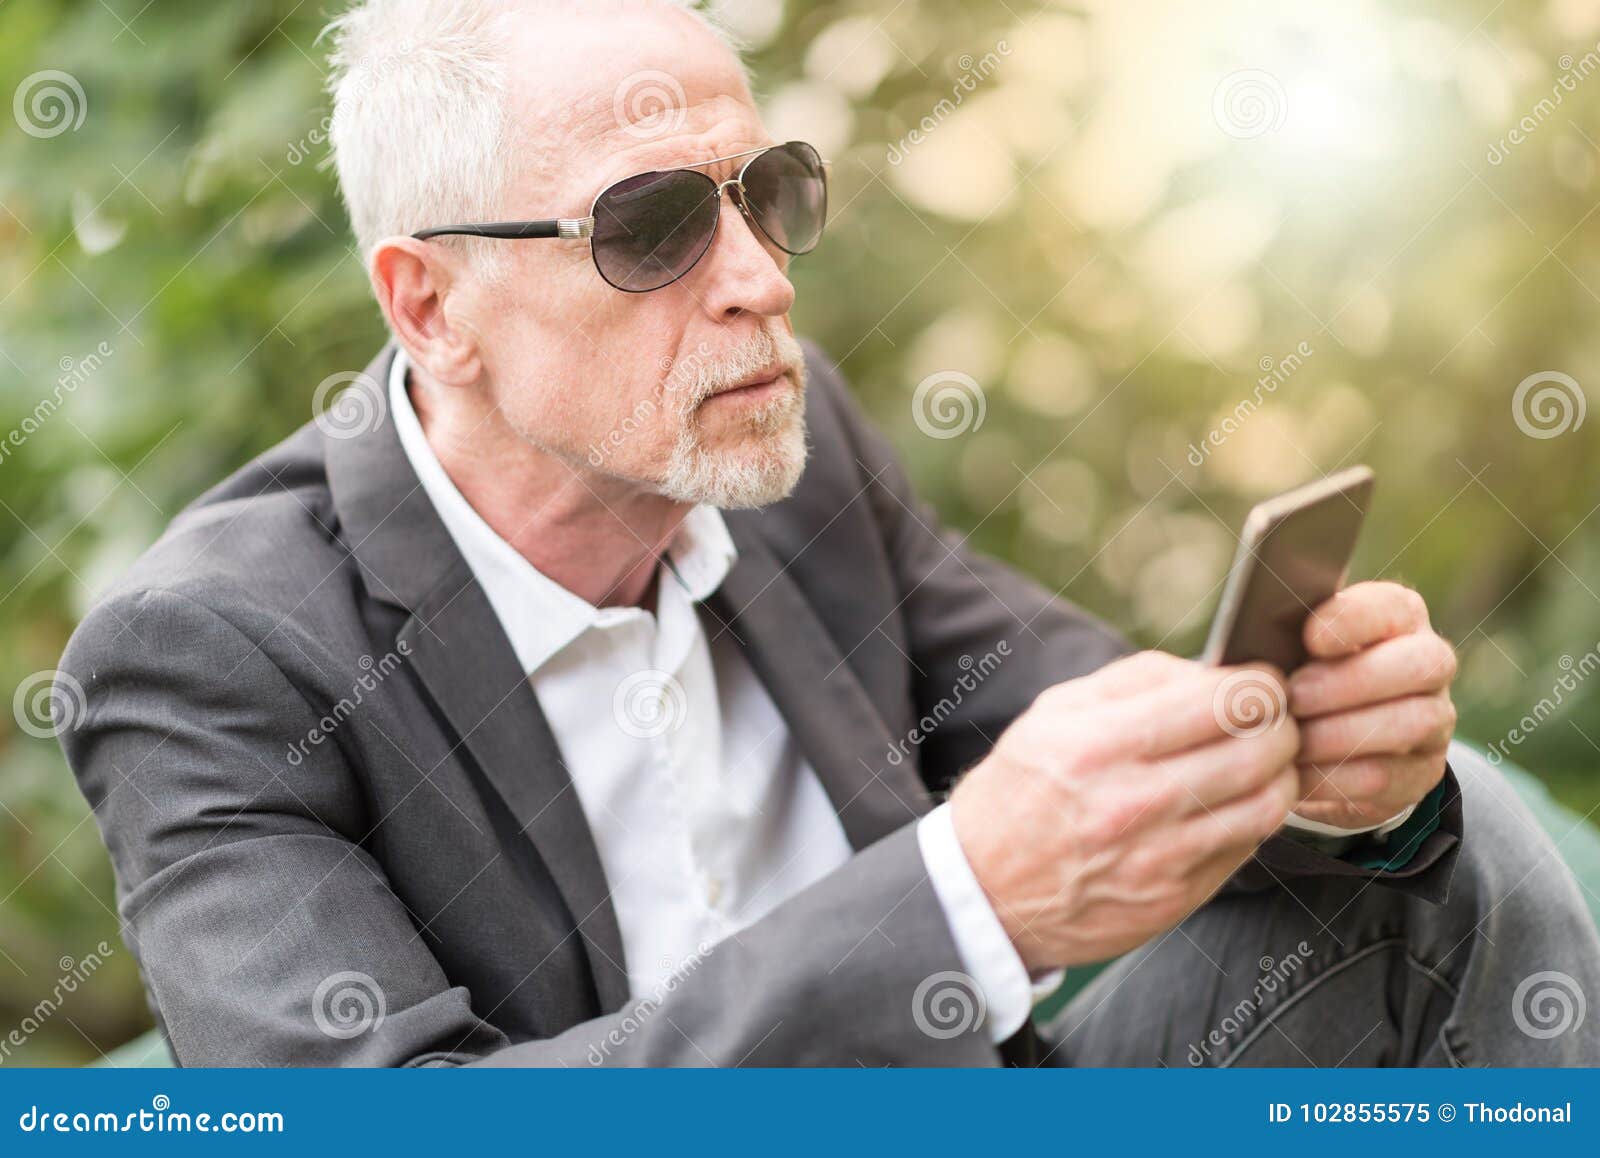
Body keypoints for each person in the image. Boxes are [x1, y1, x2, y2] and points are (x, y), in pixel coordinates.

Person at [57, 0, 1600, 1066]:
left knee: (1454, 835)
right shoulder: (207, 656)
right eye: (653, 224)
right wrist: (961, 902)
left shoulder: (778, 447)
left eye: (769, 193)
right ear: (430, 305)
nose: (759, 279)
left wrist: (1311, 761)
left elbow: (1058, 700)